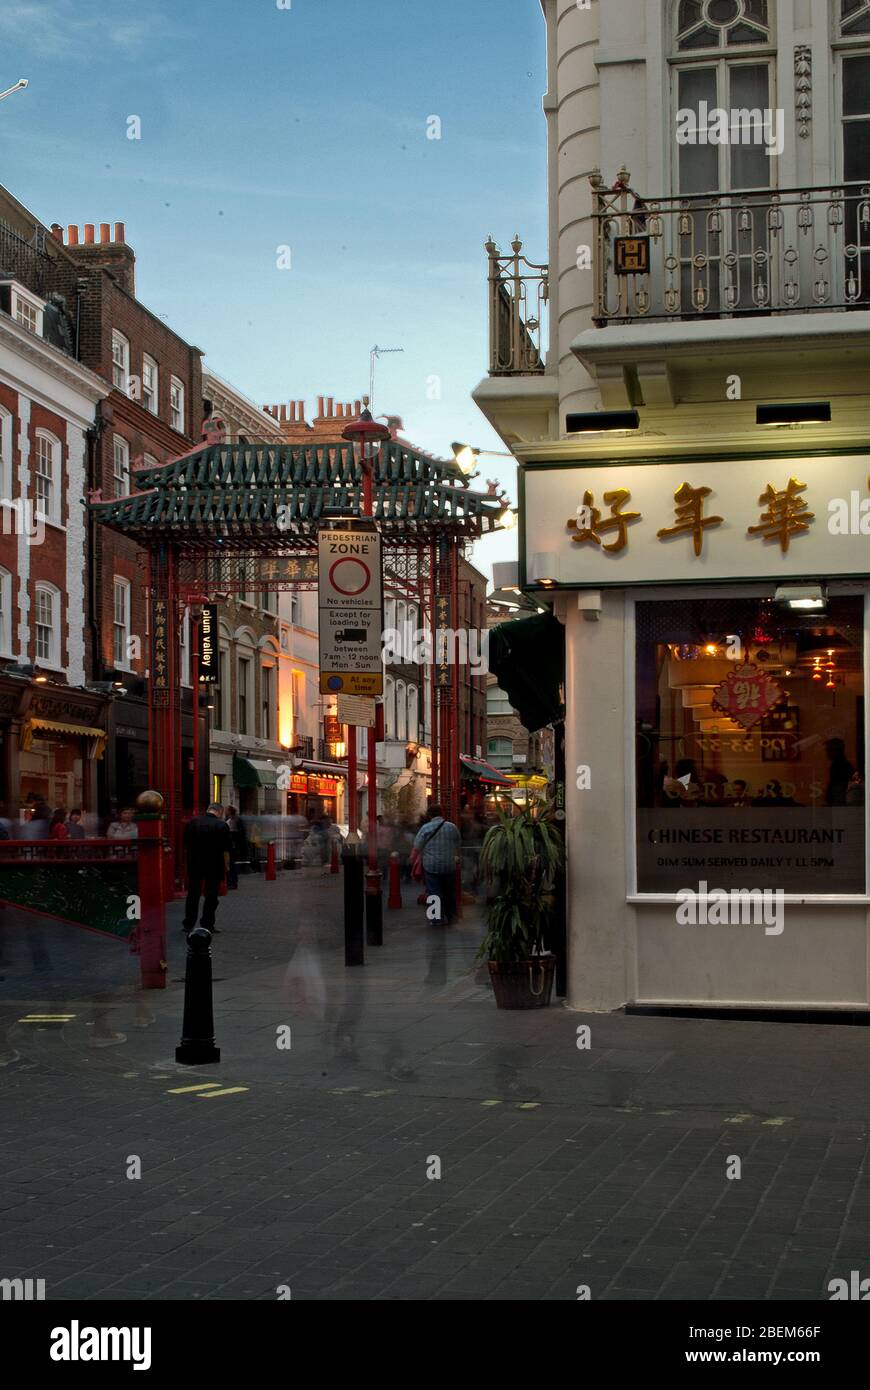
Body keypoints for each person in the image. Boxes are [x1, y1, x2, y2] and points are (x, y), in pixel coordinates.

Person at [182, 802, 232, 936]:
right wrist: (227, 867)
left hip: (195, 864)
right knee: (211, 896)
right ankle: (207, 924)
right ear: (220, 812)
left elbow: (186, 843)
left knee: (193, 894)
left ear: (208, 809)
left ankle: (188, 923)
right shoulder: (222, 825)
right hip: (214, 864)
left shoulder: (193, 823)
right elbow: (226, 848)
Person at [413, 803, 461, 926]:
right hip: (449, 864)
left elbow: (417, 846)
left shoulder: (425, 828)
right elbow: (457, 844)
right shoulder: (452, 827)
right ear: (442, 813)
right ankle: (451, 916)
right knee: (449, 891)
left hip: (431, 865)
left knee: (434, 892)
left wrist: (413, 858)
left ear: (429, 815)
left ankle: (436, 919)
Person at [825, 738, 855, 806]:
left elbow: (839, 788)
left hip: (840, 804)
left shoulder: (840, 766)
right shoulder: (844, 765)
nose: (827, 753)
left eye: (829, 750)